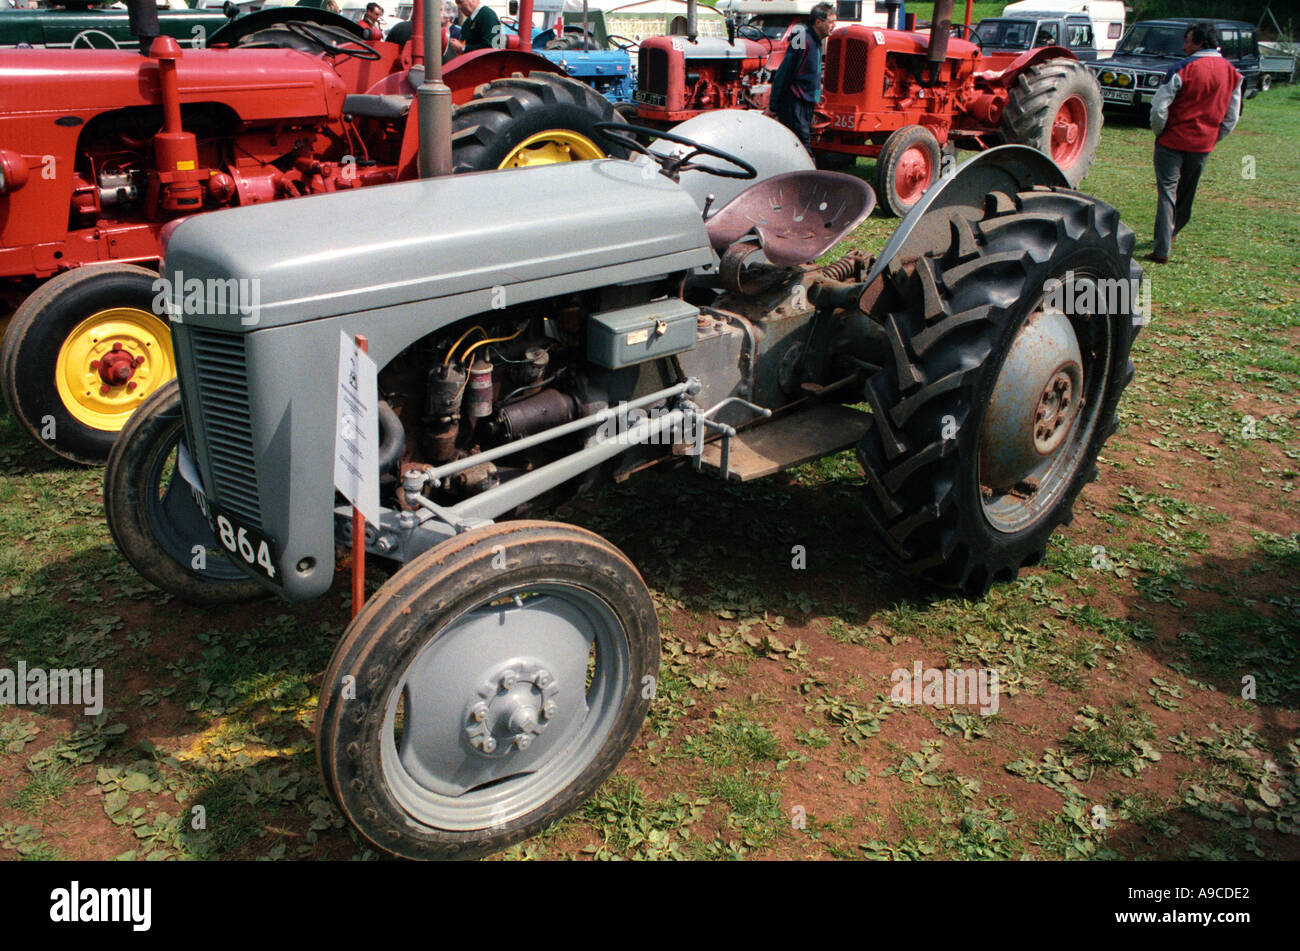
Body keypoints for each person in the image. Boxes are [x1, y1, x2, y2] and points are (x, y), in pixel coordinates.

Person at [1146, 22, 1242, 264]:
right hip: (1203, 144)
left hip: (1172, 141)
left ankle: (1162, 248)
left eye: (1187, 41)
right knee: (1187, 193)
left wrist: (1159, 131)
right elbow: (1232, 115)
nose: (1184, 46)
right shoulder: (1232, 73)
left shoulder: (1182, 68)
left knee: (1167, 192)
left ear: (1199, 43)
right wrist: (1215, 136)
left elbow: (1159, 108)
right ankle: (1173, 233)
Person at [767, 3, 836, 153]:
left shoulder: (816, 42)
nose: (834, 26)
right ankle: (810, 175)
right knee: (802, 148)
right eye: (830, 22)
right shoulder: (801, 39)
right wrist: (773, 106)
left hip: (806, 105)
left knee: (795, 147)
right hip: (795, 105)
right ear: (818, 22)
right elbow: (784, 72)